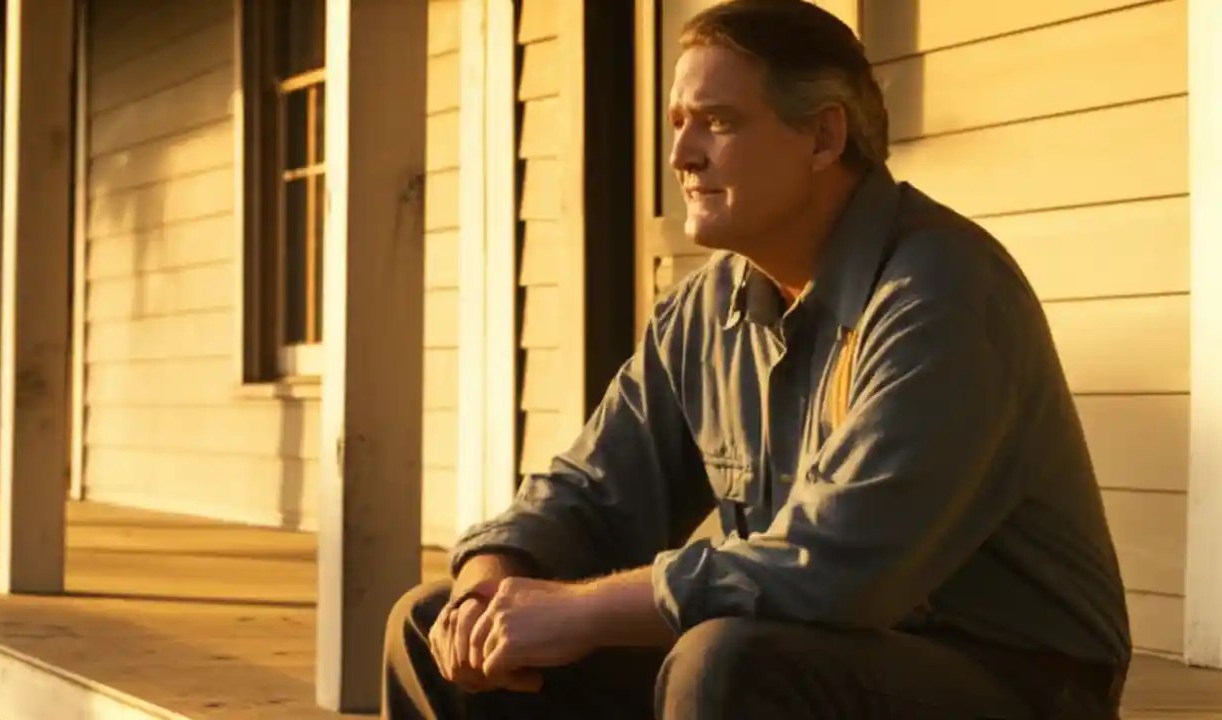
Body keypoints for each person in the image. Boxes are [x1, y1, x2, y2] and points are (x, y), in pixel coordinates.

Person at [382, 1, 1132, 717]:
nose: (680, 155)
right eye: (678, 123)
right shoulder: (706, 311)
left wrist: (576, 611)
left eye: (718, 122)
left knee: (726, 660)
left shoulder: (943, 294)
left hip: (1014, 681)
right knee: (432, 624)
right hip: (816, 650)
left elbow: (836, 568)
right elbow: (591, 491)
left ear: (822, 138)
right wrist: (489, 586)